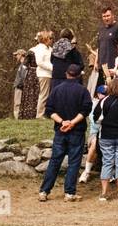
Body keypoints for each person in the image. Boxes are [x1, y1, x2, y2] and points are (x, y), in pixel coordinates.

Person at [40, 63, 93, 202]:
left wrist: (62, 122)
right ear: (79, 75)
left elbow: (49, 110)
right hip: (77, 131)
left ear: (66, 74)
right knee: (74, 162)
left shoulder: (56, 90)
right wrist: (72, 123)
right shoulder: (83, 91)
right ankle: (69, 193)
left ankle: (44, 191)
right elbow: (86, 110)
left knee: (55, 161)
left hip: (60, 131)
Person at [94, 77, 118, 201]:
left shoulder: (104, 101)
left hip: (106, 136)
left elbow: (96, 118)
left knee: (107, 163)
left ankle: (104, 193)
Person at [97, 9, 118, 84]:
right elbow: (99, 47)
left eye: (108, 16)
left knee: (112, 92)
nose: (106, 18)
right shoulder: (101, 29)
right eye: (104, 16)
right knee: (102, 93)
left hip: (113, 67)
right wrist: (97, 63)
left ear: (113, 16)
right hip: (102, 67)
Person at [30, 30, 54, 118]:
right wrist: (52, 67)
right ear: (45, 39)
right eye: (50, 38)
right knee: (44, 95)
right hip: (44, 74)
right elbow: (39, 62)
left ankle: (46, 113)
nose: (52, 40)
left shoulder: (49, 49)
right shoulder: (40, 48)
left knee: (48, 95)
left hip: (50, 74)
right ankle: (40, 114)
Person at [19, 51, 40, 119]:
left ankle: (28, 113)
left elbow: (25, 64)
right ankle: (32, 113)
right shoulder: (34, 52)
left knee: (30, 93)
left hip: (32, 74)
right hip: (38, 73)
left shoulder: (31, 51)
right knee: (35, 93)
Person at [11, 48, 27, 116]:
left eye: (17, 55)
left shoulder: (24, 65)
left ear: (21, 55)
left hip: (20, 87)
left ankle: (17, 117)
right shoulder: (22, 64)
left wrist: (19, 85)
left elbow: (23, 76)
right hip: (19, 86)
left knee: (17, 103)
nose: (16, 57)